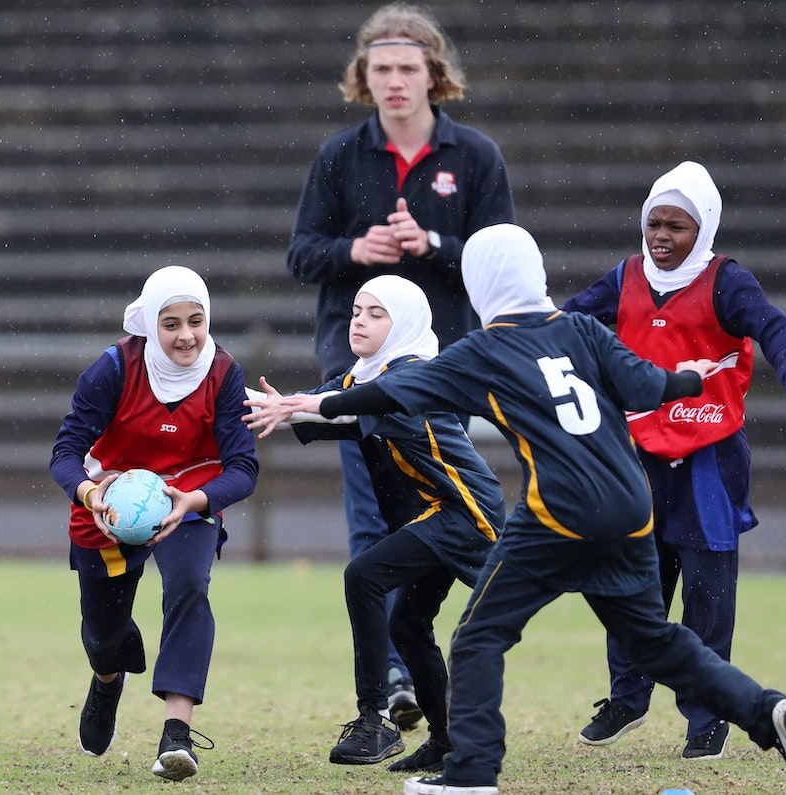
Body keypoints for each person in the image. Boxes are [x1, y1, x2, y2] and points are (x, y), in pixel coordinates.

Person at [268, 223, 786, 795]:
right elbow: (648, 386)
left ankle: (470, 775)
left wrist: (320, 403)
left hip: (558, 510)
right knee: (656, 642)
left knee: (479, 636)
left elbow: (396, 390)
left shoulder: (488, 349)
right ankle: (767, 713)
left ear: (481, 282)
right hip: (629, 506)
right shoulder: (579, 328)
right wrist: (686, 378)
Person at [285, 2, 515, 723]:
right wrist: (356, 251)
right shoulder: (339, 155)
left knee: (455, 511)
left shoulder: (474, 156)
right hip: (359, 377)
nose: (393, 80)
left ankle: (448, 652)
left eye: (407, 67)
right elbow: (301, 255)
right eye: (380, 68)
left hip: (445, 376)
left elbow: (502, 260)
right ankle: (394, 678)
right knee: (374, 525)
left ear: (434, 74)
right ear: (364, 75)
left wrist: (435, 247)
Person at [562, 161, 786, 759]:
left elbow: (775, 328)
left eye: (676, 225)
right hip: (637, 456)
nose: (661, 237)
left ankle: (708, 720)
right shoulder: (624, 277)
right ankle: (627, 698)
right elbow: (566, 323)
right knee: (629, 584)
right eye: (654, 224)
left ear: (704, 229)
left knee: (706, 595)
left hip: (708, 456)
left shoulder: (728, 282)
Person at [243, 274, 504, 771]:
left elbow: (353, 405)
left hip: (466, 514)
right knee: (407, 624)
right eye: (357, 311)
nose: (358, 320)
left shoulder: (413, 373)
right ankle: (447, 741)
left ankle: (374, 721)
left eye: (375, 313)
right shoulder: (366, 374)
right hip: (435, 516)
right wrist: (255, 407)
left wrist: (301, 406)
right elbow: (331, 406)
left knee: (362, 575)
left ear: (403, 322)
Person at [50, 265, 259, 782]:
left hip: (186, 503)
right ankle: (106, 680)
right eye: (171, 324)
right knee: (103, 637)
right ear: (149, 325)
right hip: (109, 507)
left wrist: (195, 501)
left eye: (196, 321)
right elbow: (65, 452)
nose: (186, 335)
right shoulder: (113, 368)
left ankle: (176, 734)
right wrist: (89, 491)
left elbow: (243, 468)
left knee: (189, 584)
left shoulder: (224, 374)